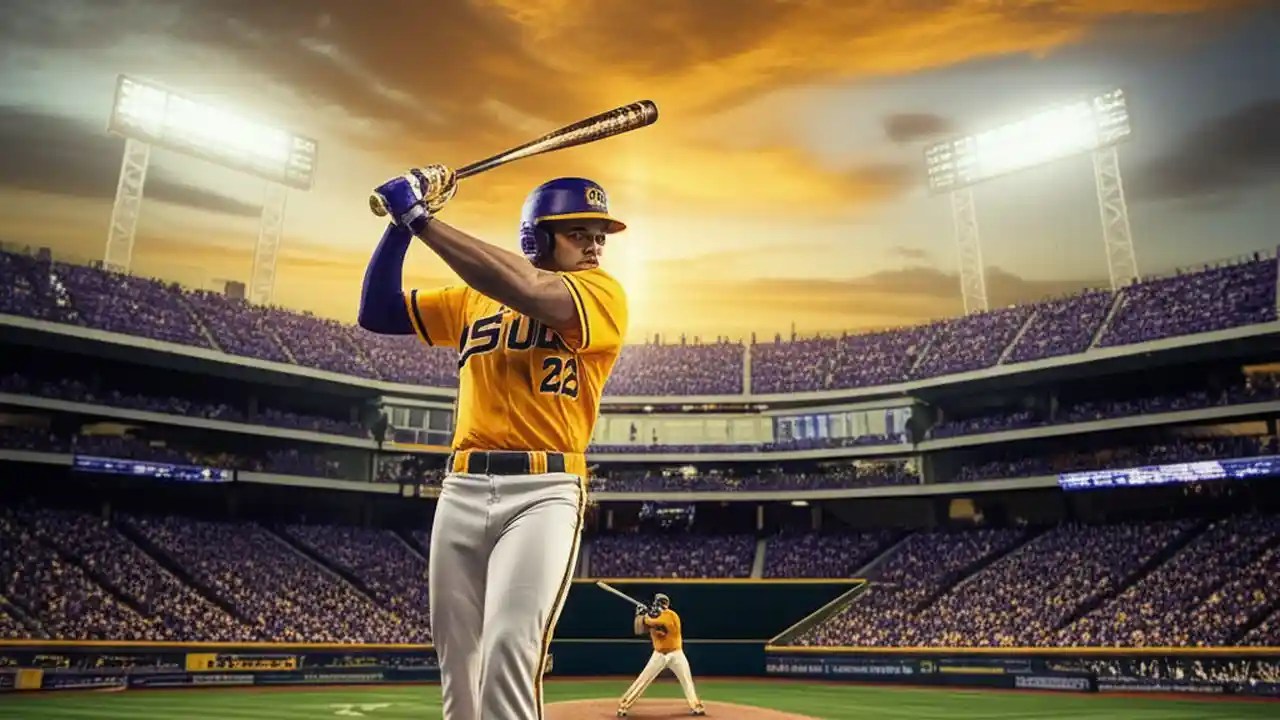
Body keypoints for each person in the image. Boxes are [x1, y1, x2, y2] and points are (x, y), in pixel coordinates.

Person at [357, 165, 630, 720]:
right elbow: (377, 311)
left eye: (599, 235)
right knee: (458, 658)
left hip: (545, 490)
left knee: (510, 645)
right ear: (536, 236)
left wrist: (421, 217)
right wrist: (398, 224)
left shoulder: (603, 294)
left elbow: (528, 289)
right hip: (460, 486)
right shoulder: (470, 300)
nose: (595, 244)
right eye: (579, 232)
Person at [617, 593, 706, 717]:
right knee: (642, 680)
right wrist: (639, 616)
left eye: (662, 603)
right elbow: (638, 630)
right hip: (658, 655)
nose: (661, 605)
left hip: (676, 654)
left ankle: (696, 706)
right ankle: (624, 706)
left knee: (687, 681)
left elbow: (661, 628)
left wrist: (646, 617)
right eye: (659, 603)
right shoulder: (651, 615)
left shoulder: (672, 616)